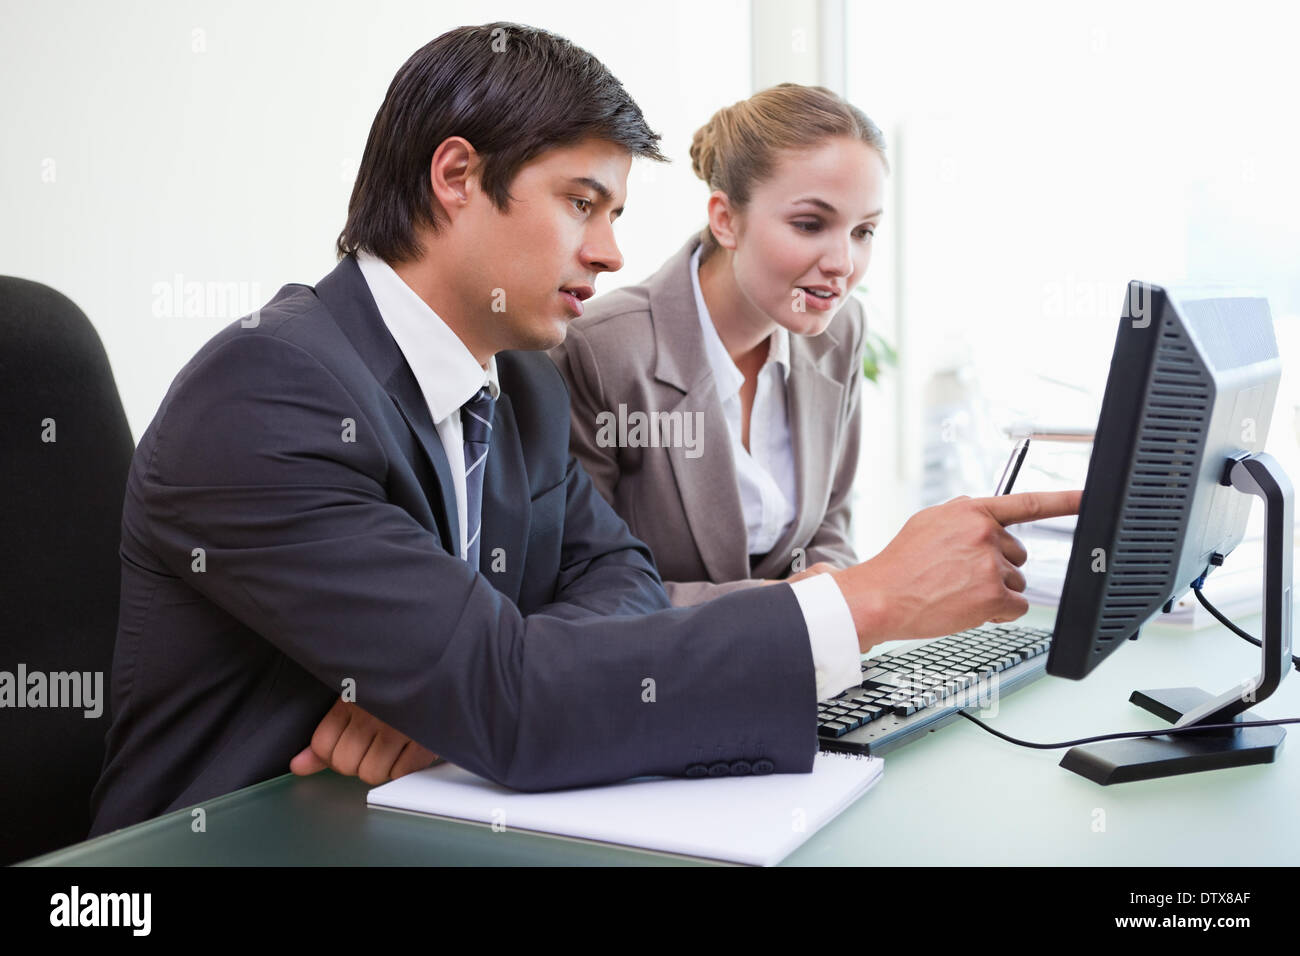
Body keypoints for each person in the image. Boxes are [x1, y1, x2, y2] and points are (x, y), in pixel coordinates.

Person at [89, 23, 1078, 833]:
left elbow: (623, 583)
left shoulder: (518, 385)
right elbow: (515, 702)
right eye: (580, 204)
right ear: (456, 175)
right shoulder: (268, 390)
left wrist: (466, 685)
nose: (609, 252)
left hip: (412, 820)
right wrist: (867, 602)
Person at [551, 84, 884, 605]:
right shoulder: (600, 351)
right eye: (810, 224)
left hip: (806, 663)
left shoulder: (840, 332)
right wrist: (777, 609)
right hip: (659, 674)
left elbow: (830, 529)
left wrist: (831, 591)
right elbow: (584, 587)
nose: (843, 262)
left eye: (863, 231)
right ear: (726, 220)